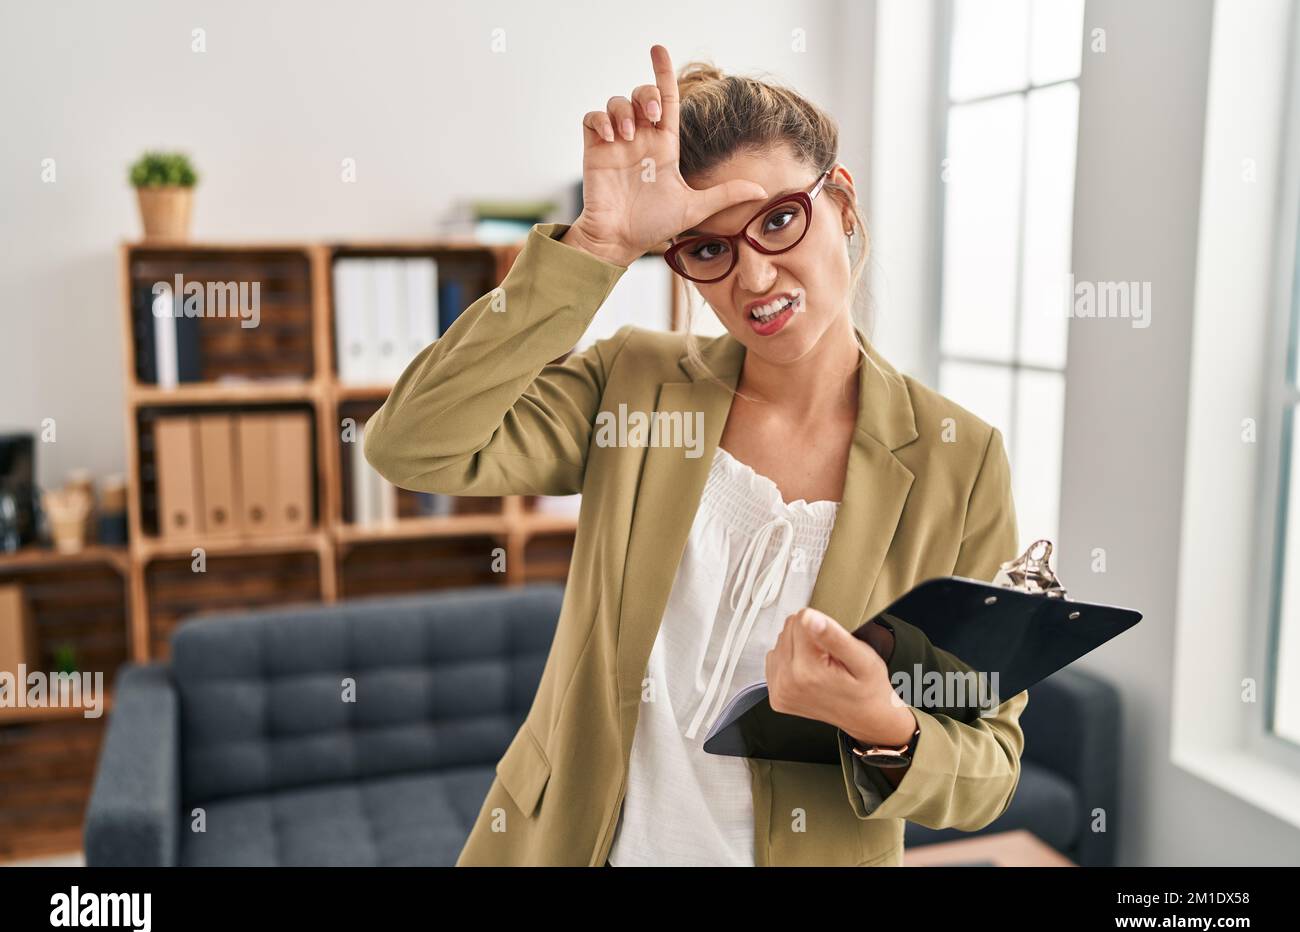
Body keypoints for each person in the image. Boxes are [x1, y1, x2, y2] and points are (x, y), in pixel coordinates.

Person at [364, 44, 1027, 867]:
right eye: (708, 250)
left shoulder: (958, 463)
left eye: (779, 218)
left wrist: (880, 721)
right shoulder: (635, 385)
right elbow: (411, 443)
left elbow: (989, 767)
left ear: (842, 202)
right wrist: (598, 245)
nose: (753, 278)